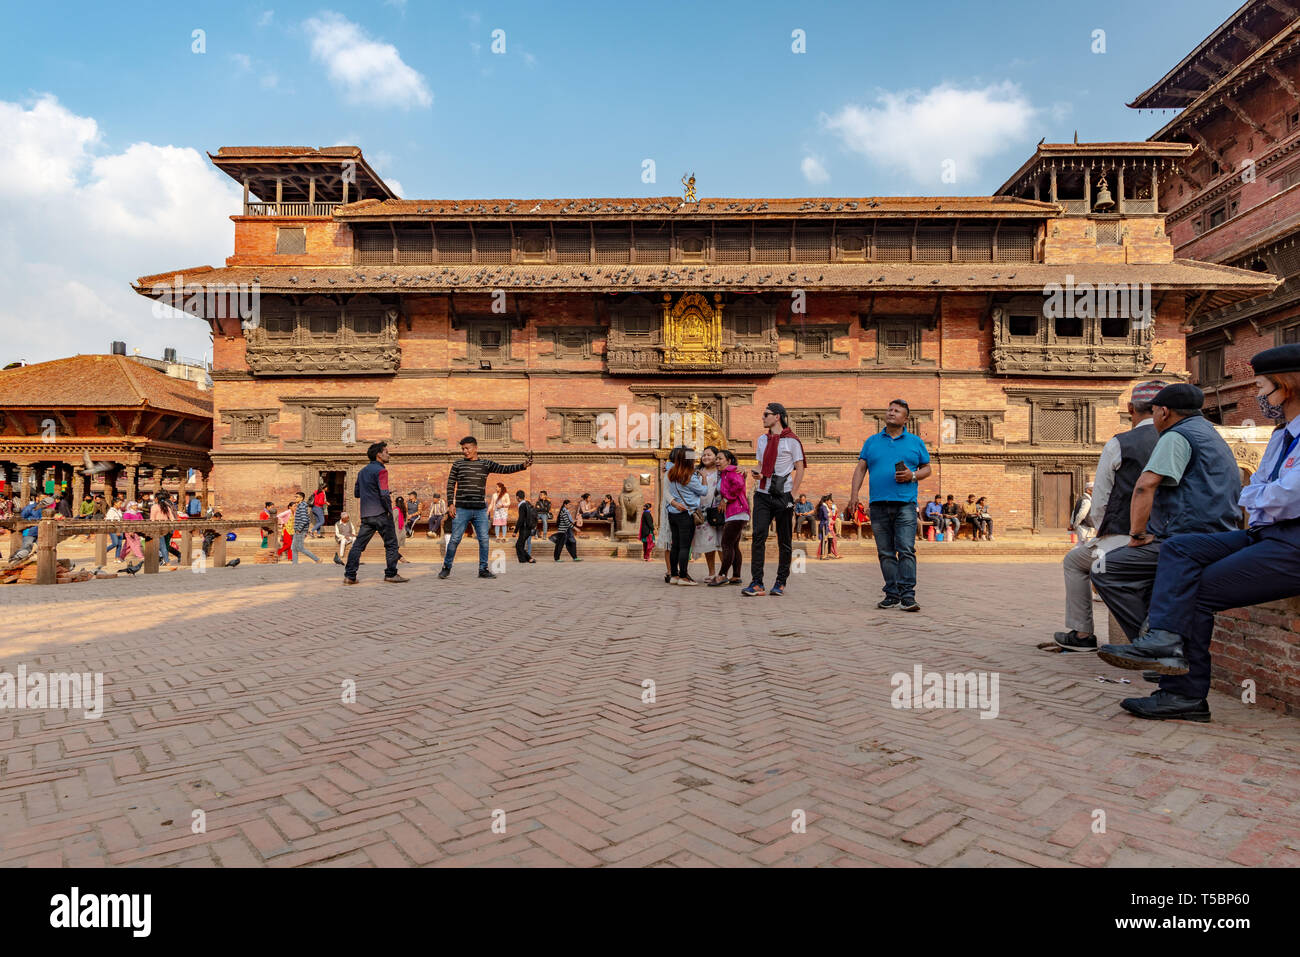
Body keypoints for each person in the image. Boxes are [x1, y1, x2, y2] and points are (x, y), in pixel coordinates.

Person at [1095, 348, 1300, 721]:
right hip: (1267, 533)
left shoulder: (1181, 435)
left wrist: (1261, 497)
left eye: (1262, 387)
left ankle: (1183, 692)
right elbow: (1255, 492)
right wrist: (1262, 497)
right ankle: (1163, 640)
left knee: (1193, 588)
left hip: (1292, 543)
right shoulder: (1282, 436)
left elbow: (1286, 496)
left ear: (1286, 386)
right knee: (1180, 550)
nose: (1258, 395)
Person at [1089, 383, 1242, 649]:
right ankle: (1160, 638)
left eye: (1156, 411)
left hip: (1188, 539)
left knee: (1106, 569)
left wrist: (1137, 534)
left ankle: (1153, 643)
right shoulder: (1210, 433)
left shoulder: (1175, 436)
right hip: (1220, 533)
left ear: (1164, 411)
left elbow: (1144, 486)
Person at [1053, 381, 1165, 651]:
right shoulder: (1179, 439)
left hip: (1126, 536)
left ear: (1130, 409)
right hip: (1170, 535)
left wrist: (1105, 533)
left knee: (1074, 562)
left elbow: (1101, 499)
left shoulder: (1120, 443)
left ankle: (1082, 634)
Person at [849, 397, 932, 611]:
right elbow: (860, 468)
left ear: (906, 419)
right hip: (878, 505)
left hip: (905, 504)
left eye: (896, 411)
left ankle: (908, 596)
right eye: (890, 410)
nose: (891, 413)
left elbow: (927, 468)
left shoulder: (915, 442)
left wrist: (913, 475)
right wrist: (854, 495)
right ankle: (892, 594)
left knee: (906, 549)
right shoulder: (872, 441)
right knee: (885, 552)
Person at [440, 436, 533, 580]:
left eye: (467, 448)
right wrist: (450, 504)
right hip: (462, 509)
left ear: (475, 448)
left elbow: (504, 469)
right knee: (455, 539)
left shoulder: (485, 464)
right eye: (463, 449)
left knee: (484, 539)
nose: (465, 451)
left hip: (480, 510)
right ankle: (446, 567)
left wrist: (522, 466)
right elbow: (450, 484)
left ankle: (483, 569)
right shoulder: (458, 464)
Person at [743, 403, 805, 597]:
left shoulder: (792, 441)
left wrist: (793, 494)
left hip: (783, 495)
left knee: (784, 539)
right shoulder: (762, 439)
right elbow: (760, 465)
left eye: (766, 414)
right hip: (762, 493)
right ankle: (757, 582)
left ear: (777, 416)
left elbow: (800, 468)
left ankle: (780, 581)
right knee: (758, 536)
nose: (763, 418)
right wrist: (756, 473)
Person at [345, 441, 407, 584]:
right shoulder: (381, 471)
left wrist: (370, 492)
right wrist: (388, 510)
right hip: (381, 513)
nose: (388, 455)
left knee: (358, 546)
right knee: (391, 544)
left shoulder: (362, 472)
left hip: (366, 514)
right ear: (379, 455)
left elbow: (356, 493)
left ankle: (350, 576)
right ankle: (391, 574)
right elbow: (384, 494)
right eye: (386, 452)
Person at [665, 447, 708, 585]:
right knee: (685, 546)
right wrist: (704, 478)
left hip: (673, 512)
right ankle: (684, 576)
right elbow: (704, 491)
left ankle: (674, 575)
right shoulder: (690, 477)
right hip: (686, 514)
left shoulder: (671, 473)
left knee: (675, 545)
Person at [709, 449, 748, 586]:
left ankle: (722, 575)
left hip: (736, 512)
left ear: (729, 461)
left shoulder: (732, 471)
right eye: (716, 459)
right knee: (734, 545)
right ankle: (736, 576)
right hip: (734, 513)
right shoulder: (724, 473)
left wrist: (725, 499)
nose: (717, 461)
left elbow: (739, 485)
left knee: (726, 544)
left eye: (720, 458)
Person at [692, 446, 723, 579]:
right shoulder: (696, 472)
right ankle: (711, 573)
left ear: (716, 456)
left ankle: (723, 573)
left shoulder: (721, 471)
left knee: (721, 542)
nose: (705, 457)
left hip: (719, 510)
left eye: (709, 455)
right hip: (702, 512)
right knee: (707, 543)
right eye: (704, 455)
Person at [150, 492, 183, 565]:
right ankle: (165, 560)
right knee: (164, 545)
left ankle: (166, 561)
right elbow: (172, 518)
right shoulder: (167, 507)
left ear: (156, 499)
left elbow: (152, 519)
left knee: (162, 546)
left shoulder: (154, 507)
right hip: (167, 528)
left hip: (158, 528)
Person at [291, 491, 321, 564]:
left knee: (300, 548)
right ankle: (294, 564)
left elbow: (304, 520)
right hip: (299, 530)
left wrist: (299, 529)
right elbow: (307, 519)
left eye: (297, 497)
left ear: (301, 498)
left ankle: (317, 559)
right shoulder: (301, 506)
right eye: (295, 497)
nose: (295, 498)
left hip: (300, 531)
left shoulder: (302, 506)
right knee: (293, 548)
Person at [514, 490, 537, 563]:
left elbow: (520, 519)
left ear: (517, 497)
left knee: (518, 545)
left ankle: (529, 558)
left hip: (524, 529)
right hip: (528, 528)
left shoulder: (522, 505)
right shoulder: (527, 504)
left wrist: (515, 531)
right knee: (521, 545)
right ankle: (523, 560)